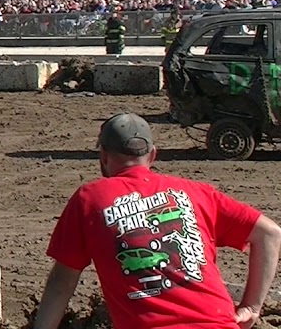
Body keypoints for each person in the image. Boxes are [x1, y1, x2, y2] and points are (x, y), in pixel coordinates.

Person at [33, 113, 281, 329]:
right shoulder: (196, 192)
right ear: (152, 155)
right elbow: (270, 233)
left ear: (104, 156)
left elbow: (63, 280)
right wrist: (251, 306)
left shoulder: (90, 198)